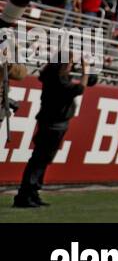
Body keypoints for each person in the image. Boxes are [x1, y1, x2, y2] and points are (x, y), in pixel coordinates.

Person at [13, 61, 99, 208]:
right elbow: (79, 89)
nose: (71, 67)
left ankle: (32, 193)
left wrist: (86, 71)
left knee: (42, 161)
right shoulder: (57, 81)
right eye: (69, 64)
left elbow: (89, 81)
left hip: (53, 123)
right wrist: (85, 72)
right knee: (39, 161)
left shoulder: (53, 77)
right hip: (53, 125)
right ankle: (25, 196)